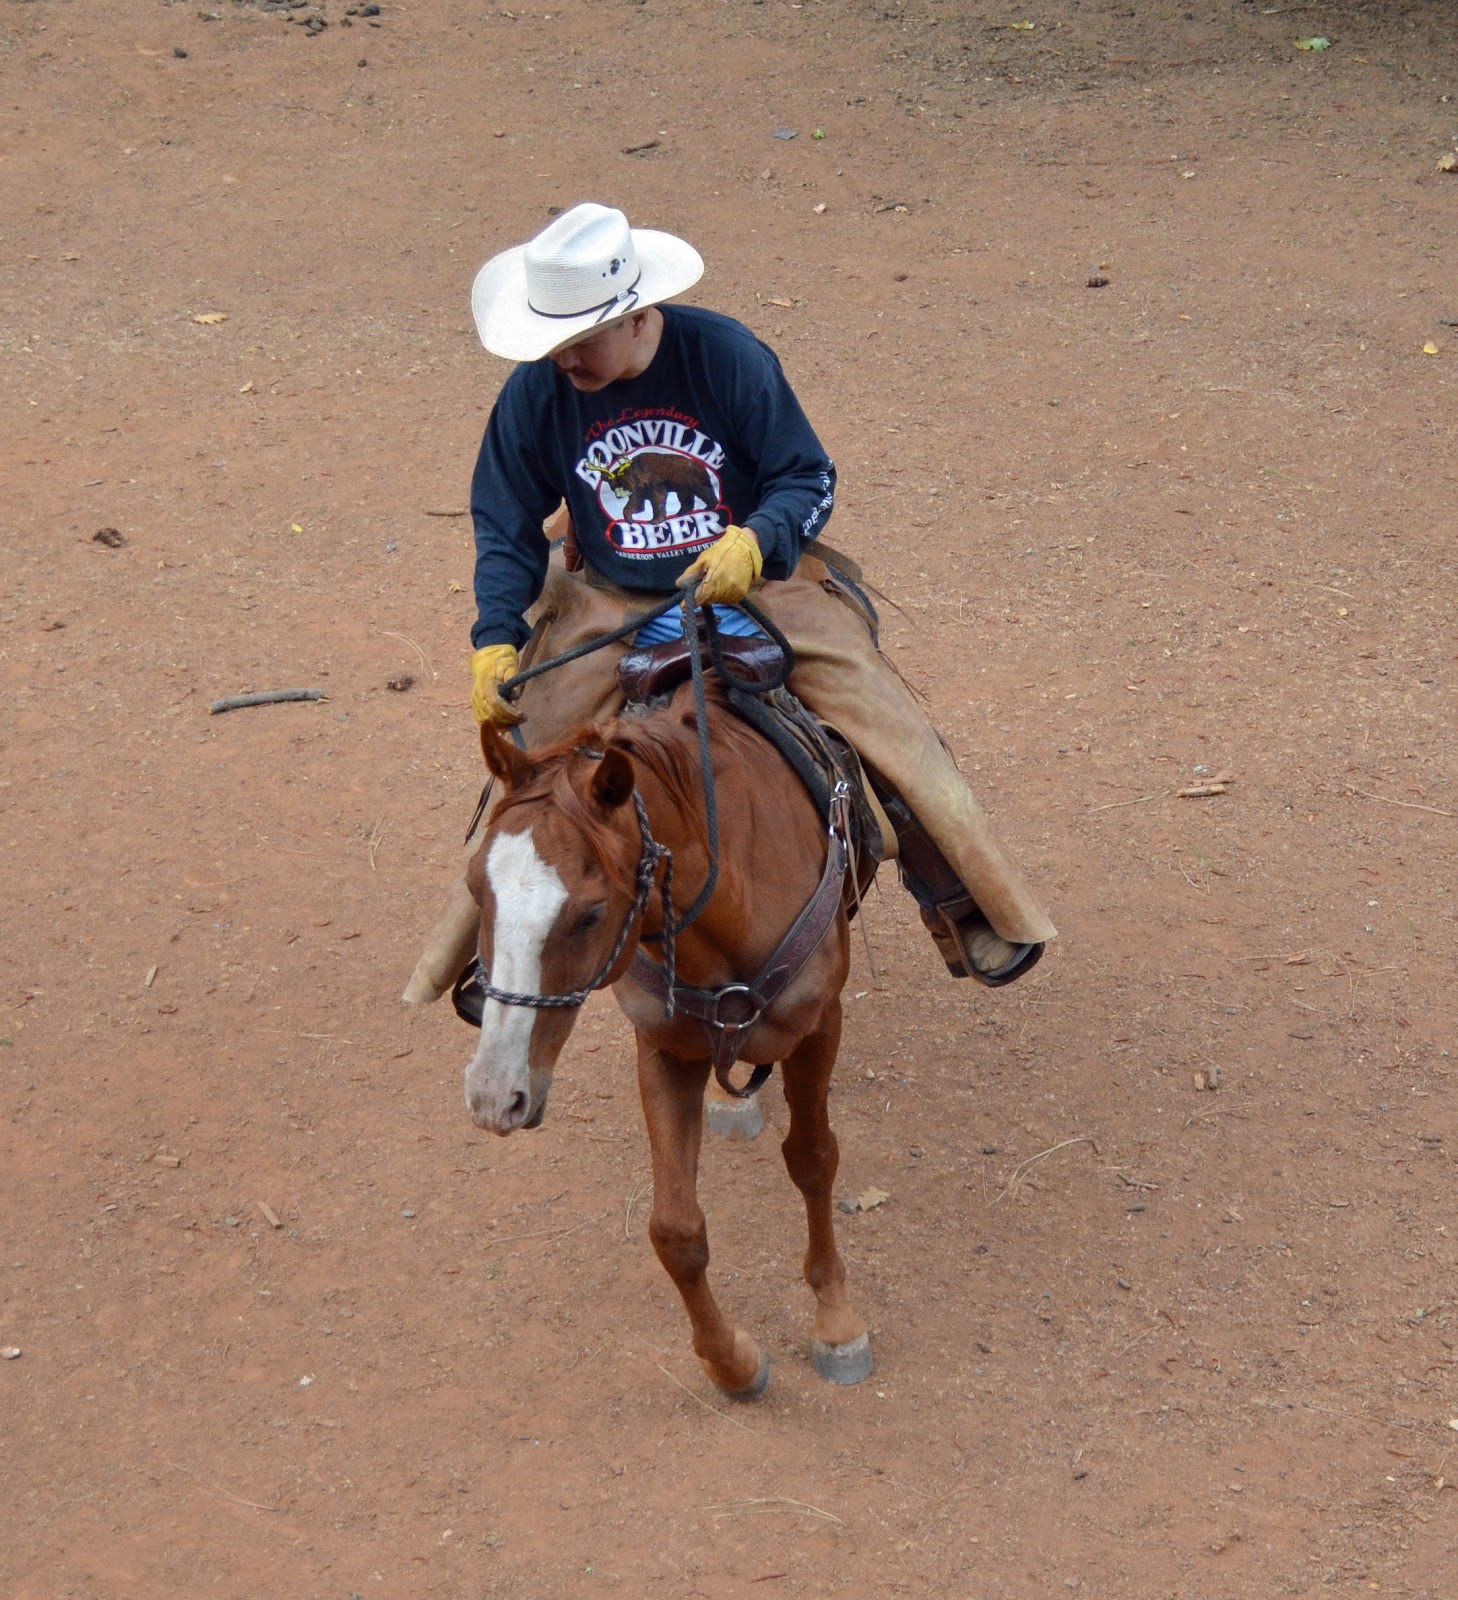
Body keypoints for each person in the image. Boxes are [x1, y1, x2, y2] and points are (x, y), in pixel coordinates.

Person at [403, 202, 1056, 1007]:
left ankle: (966, 899)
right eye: (551, 344)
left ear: (636, 316)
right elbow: (504, 525)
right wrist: (494, 640)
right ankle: (489, 955)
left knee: (892, 730)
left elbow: (808, 475)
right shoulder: (536, 393)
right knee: (529, 765)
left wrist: (757, 539)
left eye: (578, 342)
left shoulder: (728, 357)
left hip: (758, 579)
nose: (562, 360)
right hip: (613, 598)